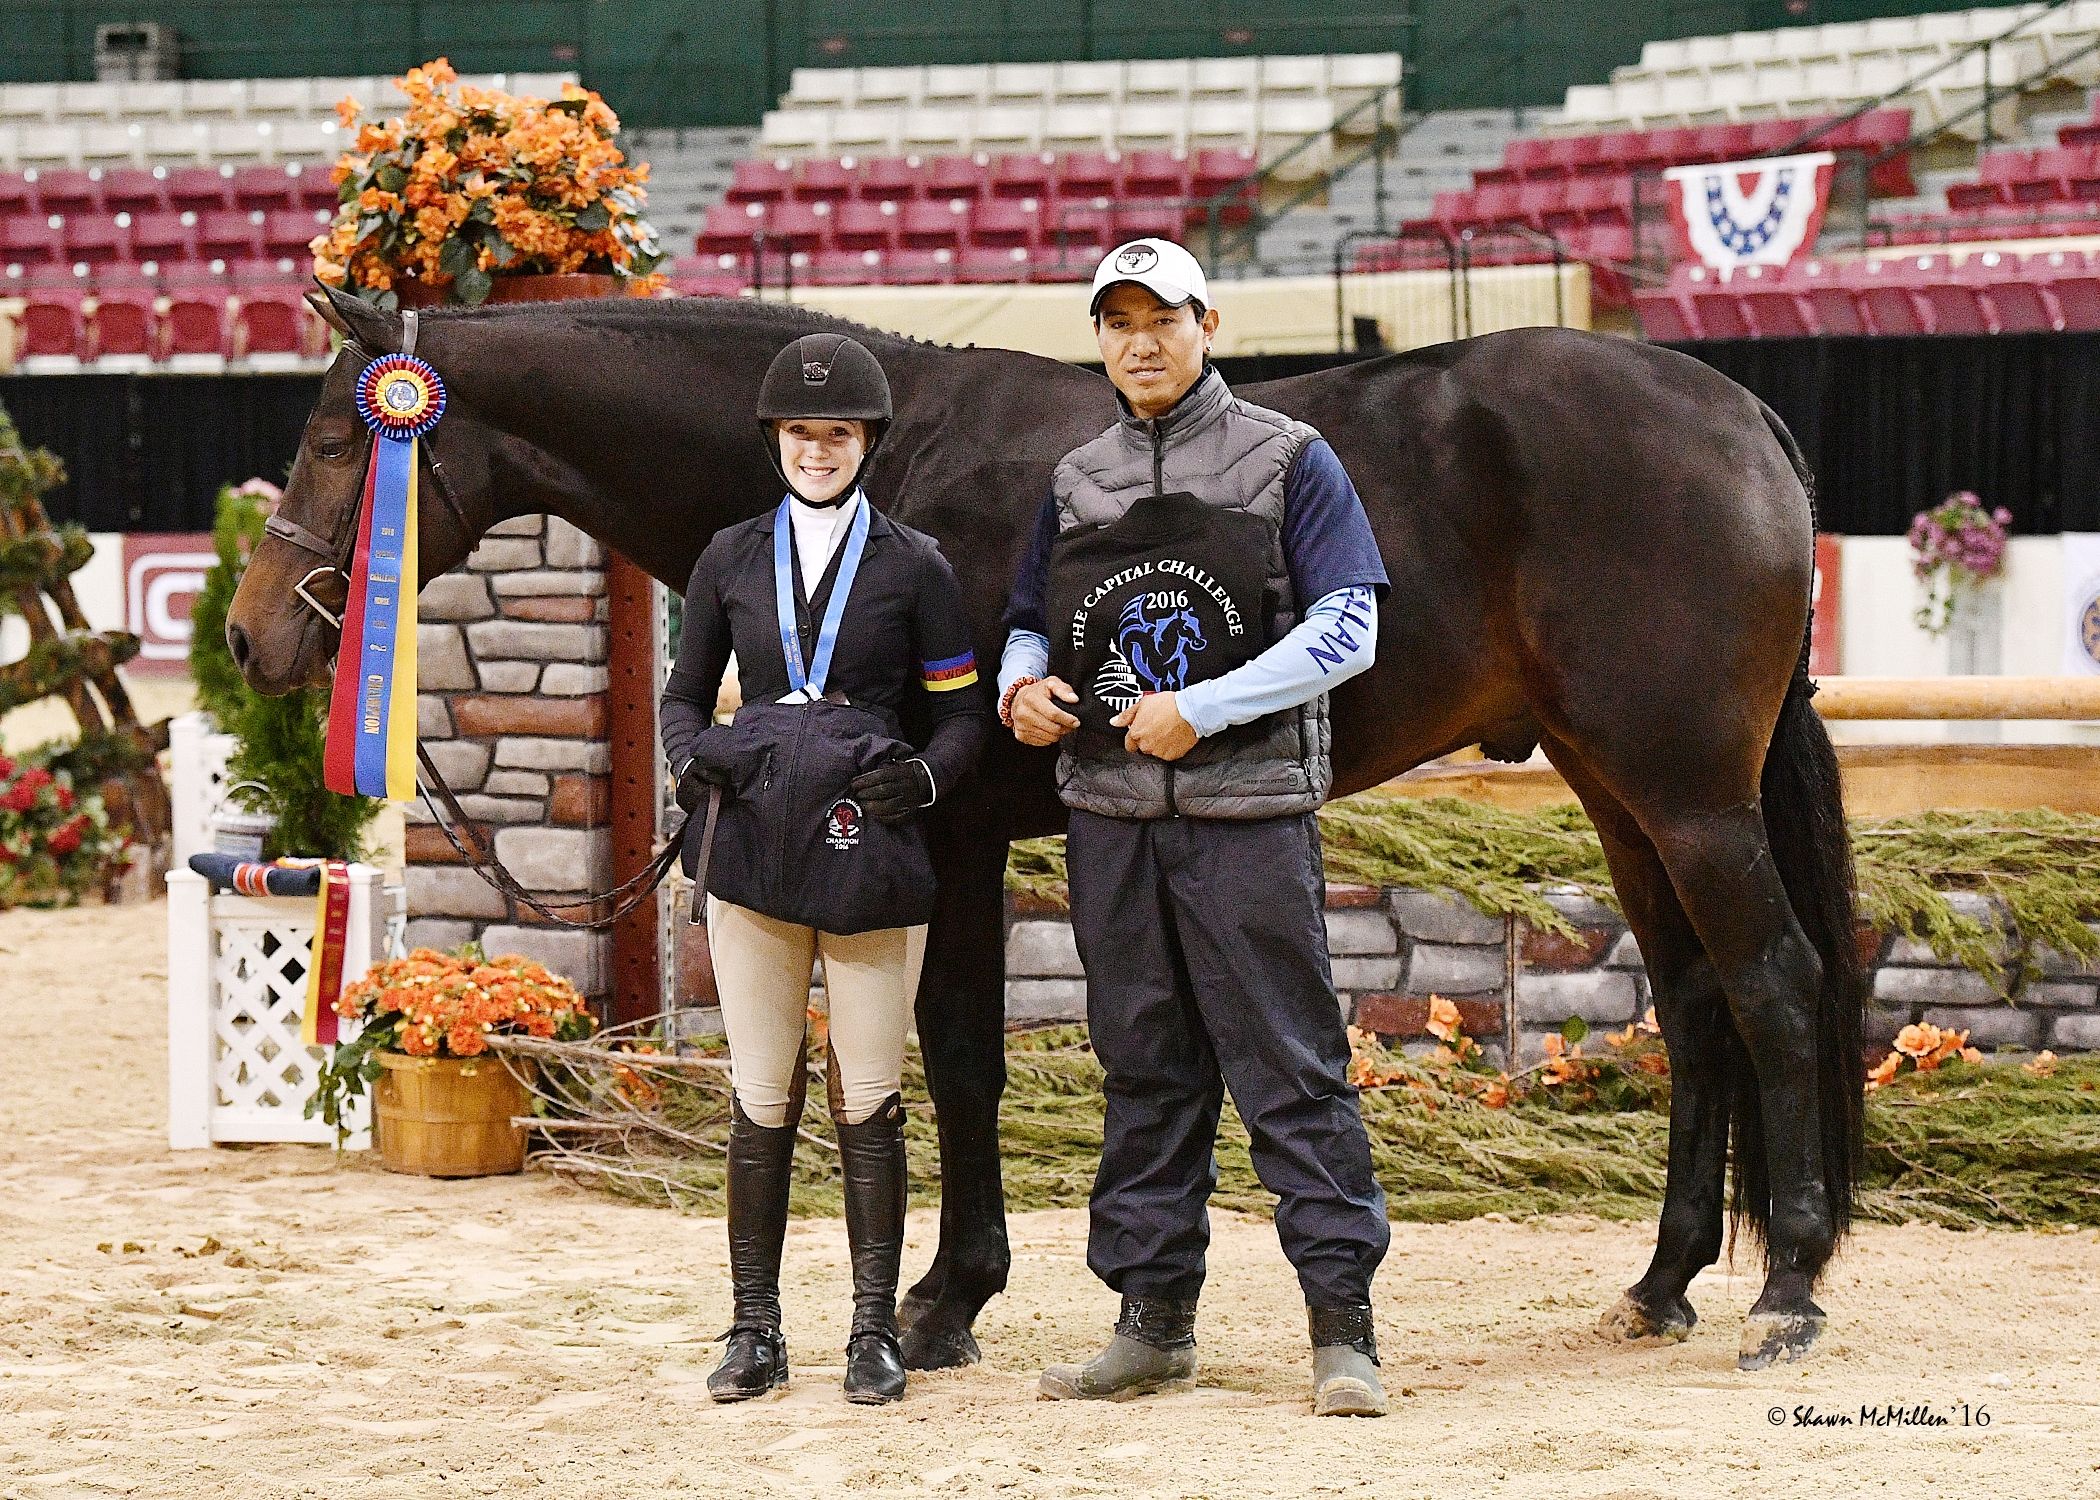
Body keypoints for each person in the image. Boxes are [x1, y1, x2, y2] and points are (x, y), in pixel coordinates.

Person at [998, 238, 1393, 1417]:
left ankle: (1343, 1332)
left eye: (1160, 317)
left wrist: (1202, 709)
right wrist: (1025, 688)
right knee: (1142, 1070)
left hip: (1248, 812)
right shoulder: (1075, 480)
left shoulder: (1290, 460)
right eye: (1117, 323)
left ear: (1206, 322)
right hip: (1110, 818)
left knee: (1292, 1066)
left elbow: (1351, 626)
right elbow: (1029, 619)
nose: (1140, 341)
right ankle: (1151, 1325)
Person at [659, 331, 987, 1406]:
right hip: (754, 838)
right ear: (776, 440)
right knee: (761, 1094)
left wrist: (928, 785)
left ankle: (869, 1335)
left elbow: (961, 713)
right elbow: (682, 692)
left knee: (869, 1096)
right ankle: (755, 1330)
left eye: (836, 433)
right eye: (801, 432)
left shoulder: (915, 566)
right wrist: (689, 754)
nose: (817, 449)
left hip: (868, 845)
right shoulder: (727, 557)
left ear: (867, 443)